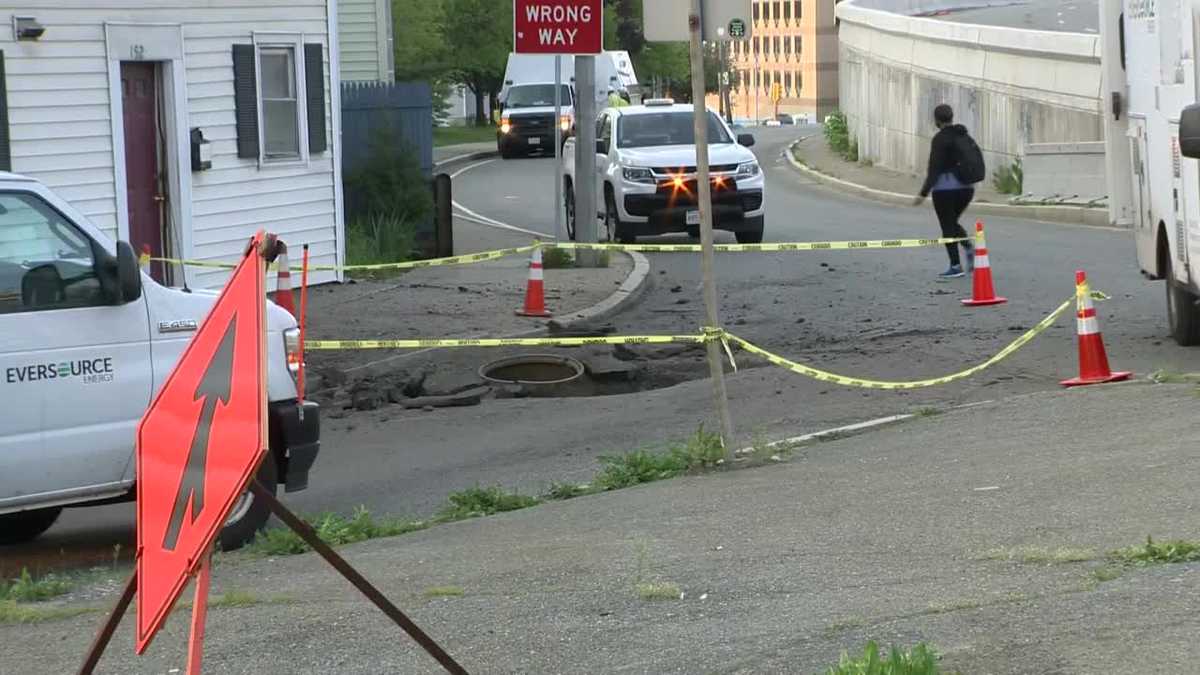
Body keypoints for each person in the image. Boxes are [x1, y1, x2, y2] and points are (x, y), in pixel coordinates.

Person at [912, 104, 977, 280]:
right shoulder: (963, 134)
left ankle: (956, 265)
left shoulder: (939, 139)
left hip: (945, 189)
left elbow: (934, 169)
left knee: (947, 226)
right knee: (952, 222)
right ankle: (968, 247)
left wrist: (923, 193)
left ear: (937, 120)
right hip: (966, 188)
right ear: (951, 117)